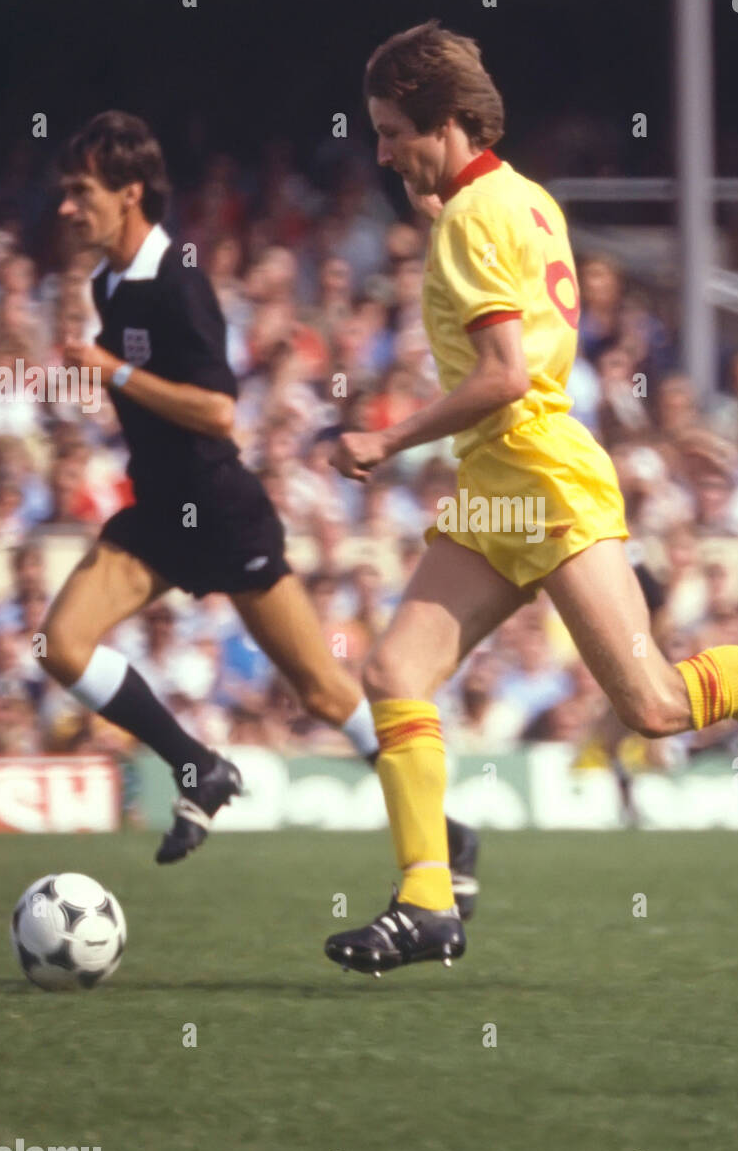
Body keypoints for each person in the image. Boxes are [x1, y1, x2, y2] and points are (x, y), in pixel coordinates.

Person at [324, 22, 738, 976]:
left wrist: (386, 435)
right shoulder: (521, 198)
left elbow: (505, 371)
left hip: (538, 476)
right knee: (393, 675)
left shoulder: (471, 220)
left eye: (389, 131)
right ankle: (426, 901)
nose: (379, 152)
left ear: (446, 121)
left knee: (657, 704)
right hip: (504, 482)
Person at [42, 110, 479, 900]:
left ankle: (448, 836)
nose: (67, 208)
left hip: (219, 509)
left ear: (130, 192)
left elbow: (217, 410)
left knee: (322, 691)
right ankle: (199, 766)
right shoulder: (108, 281)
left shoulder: (176, 279)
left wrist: (110, 371)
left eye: (81, 192)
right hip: (158, 513)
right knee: (60, 646)